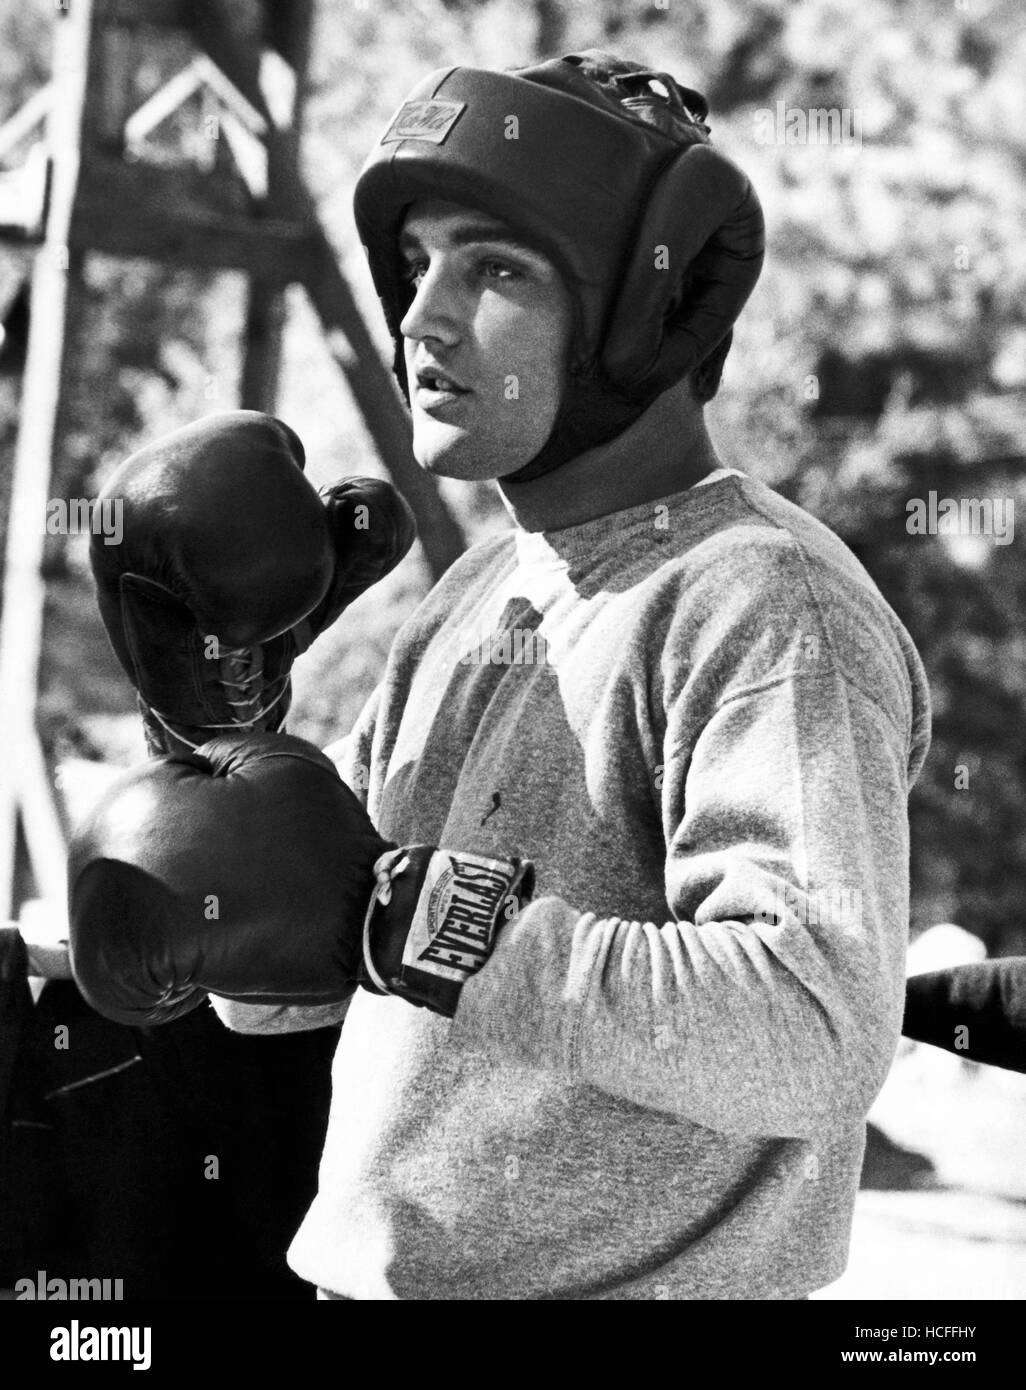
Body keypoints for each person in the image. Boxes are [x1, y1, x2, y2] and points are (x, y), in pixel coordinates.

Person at [71, 52, 932, 1299]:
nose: (422, 315)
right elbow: (300, 986)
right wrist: (213, 728)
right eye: (417, 265)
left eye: (496, 268)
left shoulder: (761, 601)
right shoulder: (479, 592)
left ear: (650, 313)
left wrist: (413, 921)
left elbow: (814, 1028)